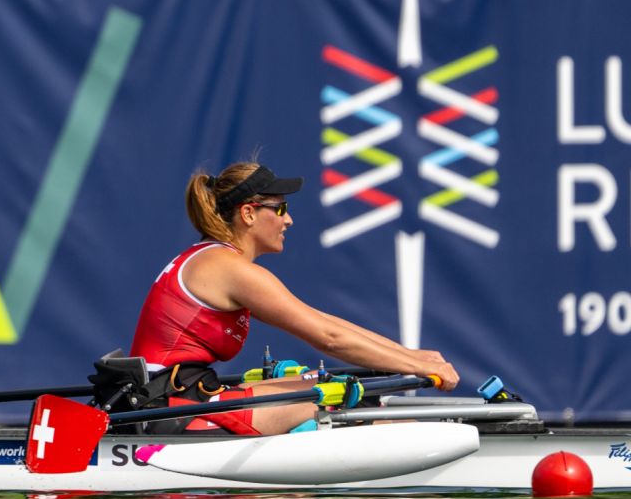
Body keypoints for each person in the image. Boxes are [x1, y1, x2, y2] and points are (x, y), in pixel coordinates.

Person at [127, 161, 460, 436]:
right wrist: (416, 366)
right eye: (280, 208)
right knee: (337, 395)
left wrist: (411, 355)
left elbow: (324, 322)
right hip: (169, 408)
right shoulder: (229, 268)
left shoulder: (215, 259)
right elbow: (329, 339)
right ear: (248, 213)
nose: (289, 220)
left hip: (179, 395)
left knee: (326, 383)